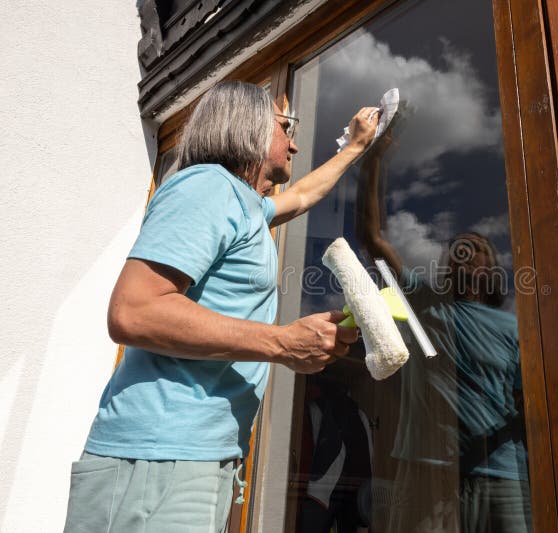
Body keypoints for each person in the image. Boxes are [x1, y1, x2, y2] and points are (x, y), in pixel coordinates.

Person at [63, 81, 379, 533]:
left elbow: (305, 194)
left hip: (194, 456)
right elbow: (133, 311)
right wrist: (283, 342)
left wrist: (355, 148)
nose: (293, 142)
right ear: (246, 127)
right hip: (158, 456)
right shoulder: (206, 187)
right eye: (285, 127)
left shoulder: (249, 208)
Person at [355, 130, 532, 533]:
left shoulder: (513, 327)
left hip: (501, 472)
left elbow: (527, 402)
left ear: (490, 269)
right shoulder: (425, 303)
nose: (464, 252)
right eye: (457, 248)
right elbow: (372, 239)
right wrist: (373, 160)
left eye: (476, 249)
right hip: (428, 470)